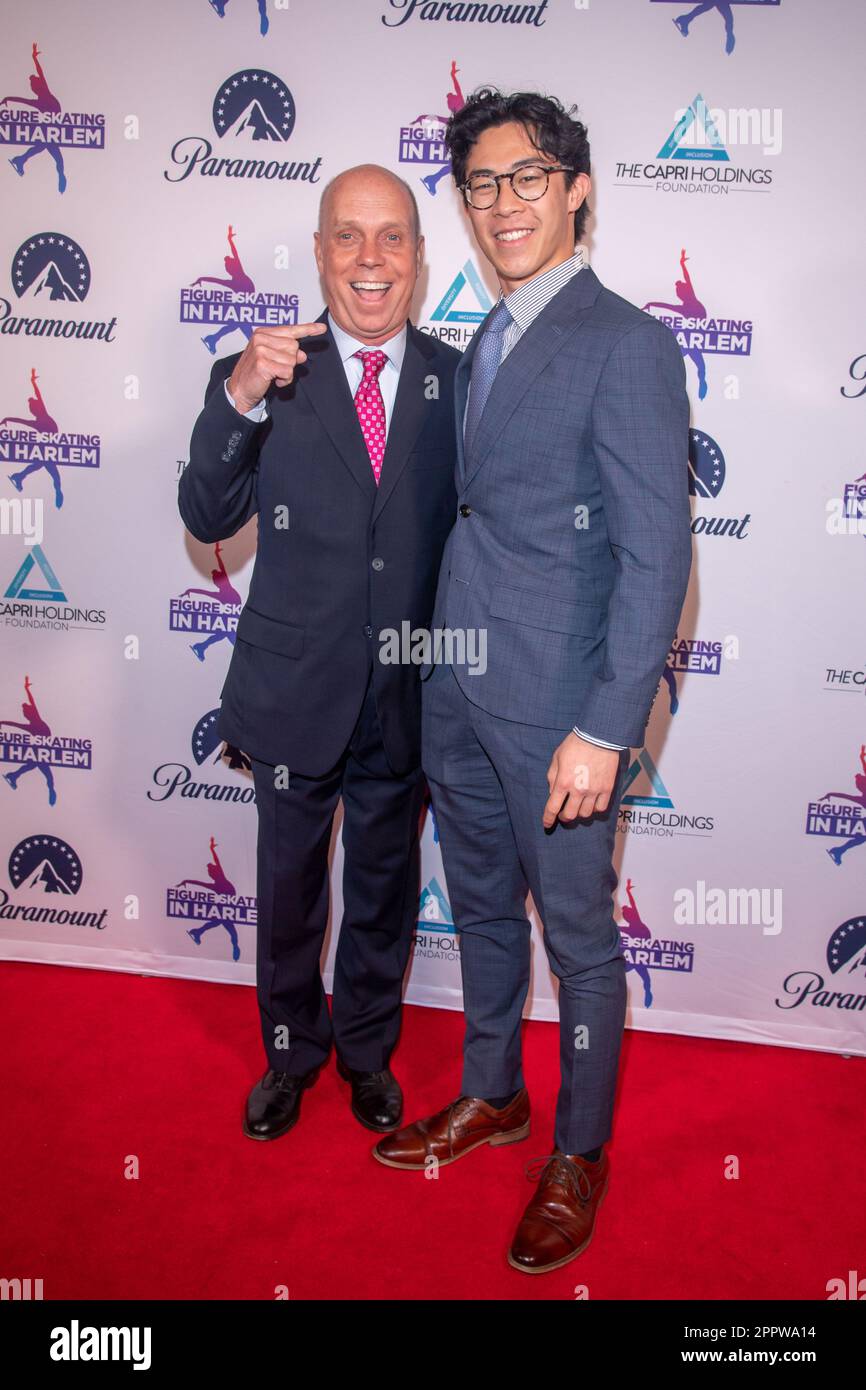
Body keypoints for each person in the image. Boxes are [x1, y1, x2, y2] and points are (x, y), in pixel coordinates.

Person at [373, 91, 692, 1274]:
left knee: (578, 939)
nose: (501, 203)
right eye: (479, 185)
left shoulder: (626, 342)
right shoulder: (483, 341)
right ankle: (493, 1092)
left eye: (526, 177)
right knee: (478, 911)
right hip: (454, 687)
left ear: (576, 191)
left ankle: (578, 1149)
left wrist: (604, 729)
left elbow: (657, 554)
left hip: (561, 712)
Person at [178, 165, 460, 1143]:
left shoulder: (454, 379)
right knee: (289, 887)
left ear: (420, 260)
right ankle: (290, 1054)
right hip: (293, 689)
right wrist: (243, 391)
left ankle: (367, 1056)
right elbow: (207, 513)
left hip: (407, 695)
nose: (369, 259)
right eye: (348, 236)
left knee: (382, 886)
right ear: (318, 251)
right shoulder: (266, 367)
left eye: (391, 237)